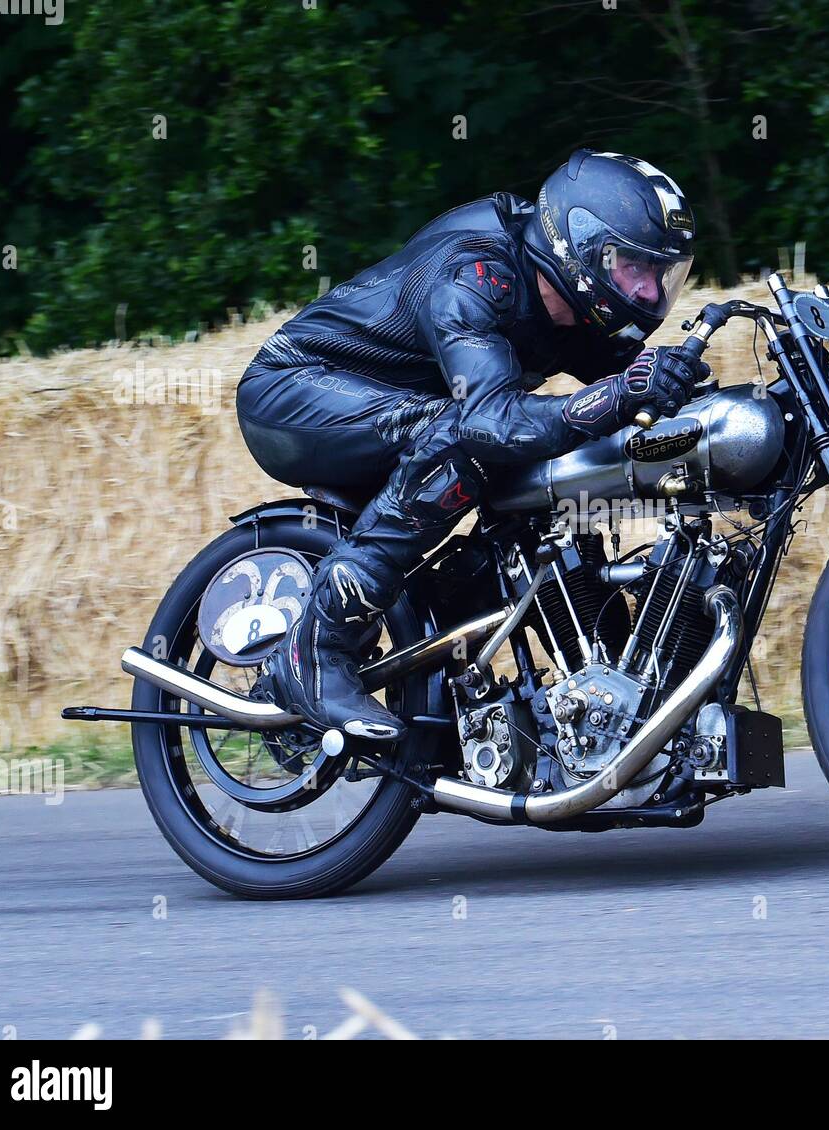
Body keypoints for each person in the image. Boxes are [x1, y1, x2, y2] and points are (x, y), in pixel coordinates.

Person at [236, 150, 708, 741]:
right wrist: (614, 398)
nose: (646, 289)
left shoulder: (572, 300)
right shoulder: (475, 277)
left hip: (400, 406)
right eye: (633, 267)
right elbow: (490, 420)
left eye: (658, 274)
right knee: (471, 440)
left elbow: (631, 390)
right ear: (584, 249)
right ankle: (316, 648)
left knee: (542, 476)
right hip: (295, 390)